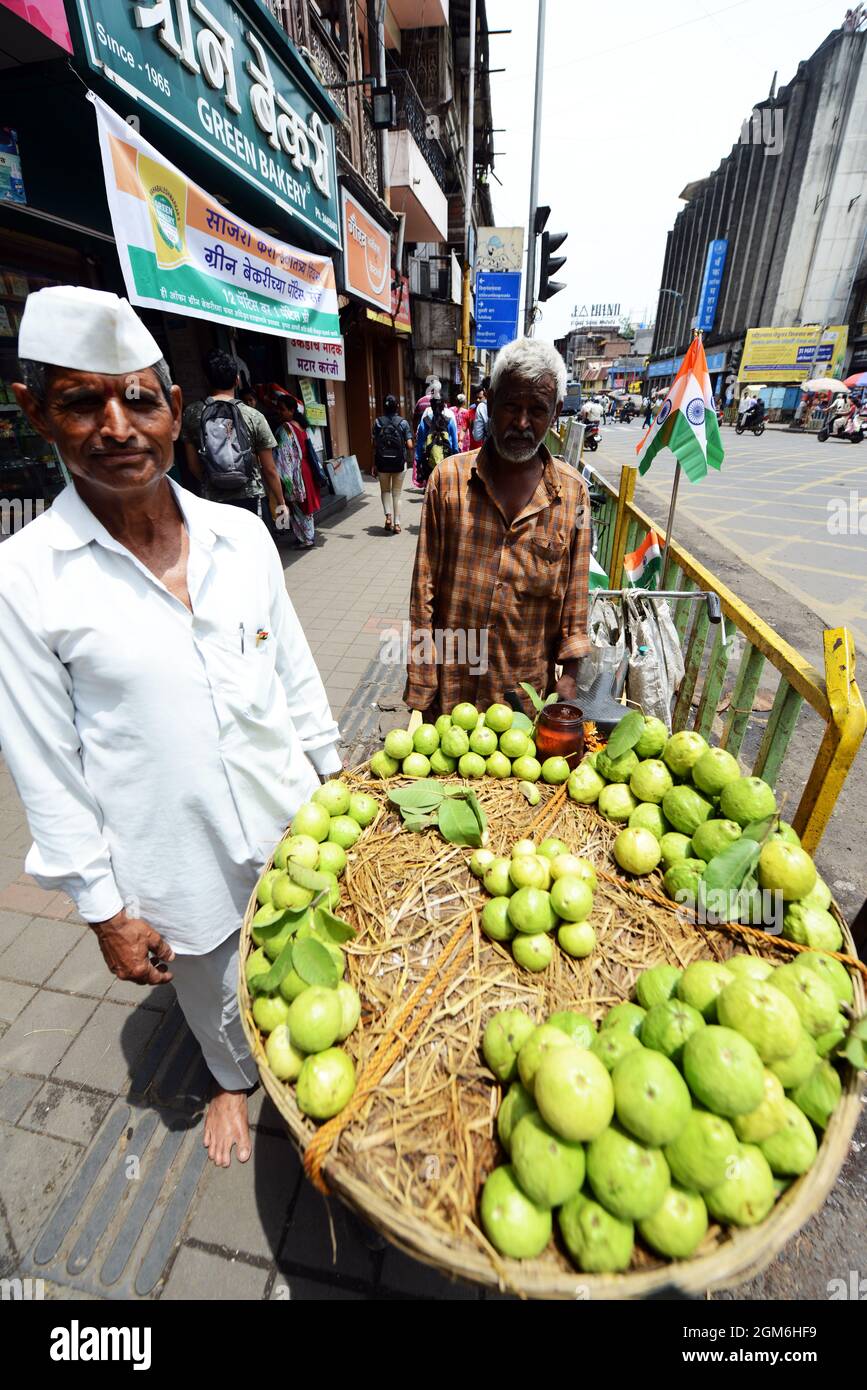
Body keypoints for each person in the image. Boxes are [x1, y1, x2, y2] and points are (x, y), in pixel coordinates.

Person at [0, 286, 342, 1167]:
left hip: (289, 818)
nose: (117, 427)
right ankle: (230, 1078)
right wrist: (102, 909)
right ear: (35, 411)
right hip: (171, 849)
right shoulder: (25, 578)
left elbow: (294, 668)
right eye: (82, 402)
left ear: (176, 409)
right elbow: (44, 764)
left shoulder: (240, 535)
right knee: (212, 985)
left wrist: (336, 778)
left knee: (315, 953)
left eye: (139, 400)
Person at [404, 337, 591, 717]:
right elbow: (423, 591)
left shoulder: (574, 495)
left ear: (555, 412)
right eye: (511, 406)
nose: (522, 423)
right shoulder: (447, 480)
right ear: (489, 400)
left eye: (536, 410)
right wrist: (422, 683)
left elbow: (576, 595)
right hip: (452, 694)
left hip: (524, 701)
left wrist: (570, 674)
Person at [182, 349, 285, 524]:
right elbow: (270, 469)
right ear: (237, 380)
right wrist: (281, 503)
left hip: (213, 502)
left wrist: (214, 478)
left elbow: (192, 465)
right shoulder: (254, 416)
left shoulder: (192, 413)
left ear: (206, 379)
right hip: (252, 499)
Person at [273, 392, 321, 547]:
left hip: (295, 473)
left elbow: (283, 457)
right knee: (304, 506)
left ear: (292, 410)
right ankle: (306, 536)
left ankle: (307, 538)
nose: (279, 412)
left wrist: (283, 479)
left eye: (282, 409)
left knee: (298, 506)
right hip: (305, 470)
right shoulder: (301, 426)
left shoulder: (285, 428)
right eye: (278, 409)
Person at [372, 393, 413, 533]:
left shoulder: (378, 422)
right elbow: (409, 445)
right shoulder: (403, 423)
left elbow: (374, 444)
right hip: (399, 463)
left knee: (385, 491)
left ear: (384, 407)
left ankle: (388, 516)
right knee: (397, 493)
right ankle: (397, 524)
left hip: (382, 463)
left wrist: (374, 464)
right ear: (397, 406)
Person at [415, 395, 459, 487]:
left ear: (431, 406)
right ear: (444, 406)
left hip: (428, 461)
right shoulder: (449, 421)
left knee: (431, 487)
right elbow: (455, 445)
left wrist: (418, 461)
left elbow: (420, 444)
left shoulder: (425, 421)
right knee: (445, 488)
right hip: (446, 460)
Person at [472, 377, 491, 443]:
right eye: (476, 398)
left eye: (480, 398)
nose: (477, 400)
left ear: (485, 391)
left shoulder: (482, 407)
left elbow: (477, 436)